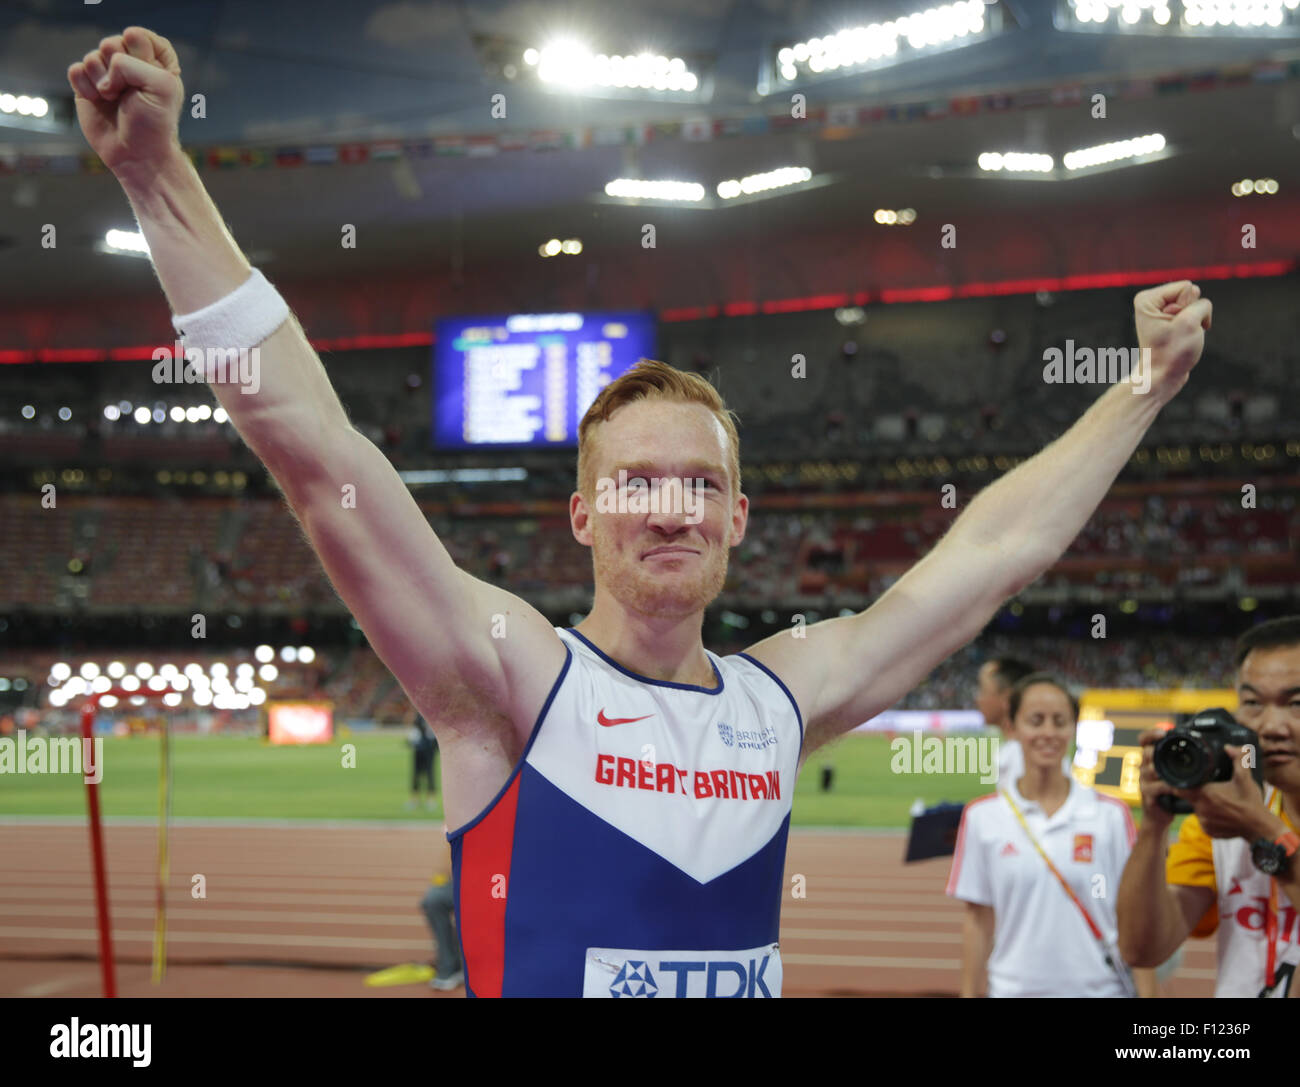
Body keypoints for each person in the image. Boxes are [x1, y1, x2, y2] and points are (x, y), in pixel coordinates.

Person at [67, 26, 1213, 997]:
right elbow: (316, 454)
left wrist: (1141, 386)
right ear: (581, 514)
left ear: (739, 520)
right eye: (636, 481)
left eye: (700, 485)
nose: (670, 509)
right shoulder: (509, 681)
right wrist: (157, 177)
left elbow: (998, 550)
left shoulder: (782, 698)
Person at [1117, 616, 1300, 998]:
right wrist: (1153, 824)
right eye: (1252, 703)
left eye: (1295, 703)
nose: (1271, 726)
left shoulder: (1241, 819)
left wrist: (1263, 831)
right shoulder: (1222, 820)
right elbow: (1142, 948)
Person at [948, 673, 1156, 997]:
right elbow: (978, 920)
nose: (1048, 732)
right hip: (1012, 992)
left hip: (1100, 991)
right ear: (1012, 728)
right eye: (1036, 720)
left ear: (1074, 728)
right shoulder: (982, 818)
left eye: (1059, 721)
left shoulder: (1111, 815)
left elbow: (1135, 913)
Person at [974, 656, 1037, 784]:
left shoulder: (1024, 757)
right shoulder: (1019, 750)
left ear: (1007, 698)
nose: (978, 699)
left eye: (983, 690)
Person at [420, 824, 464, 991]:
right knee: (434, 900)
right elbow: (450, 846)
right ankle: (450, 965)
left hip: (496, 878)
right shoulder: (458, 808)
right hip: (467, 878)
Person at [406, 714, 437, 811]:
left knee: (430, 775)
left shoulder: (432, 716)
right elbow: (414, 731)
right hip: (419, 750)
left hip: (429, 750)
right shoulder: (418, 716)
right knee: (416, 776)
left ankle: (430, 800)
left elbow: (433, 734)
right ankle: (415, 800)